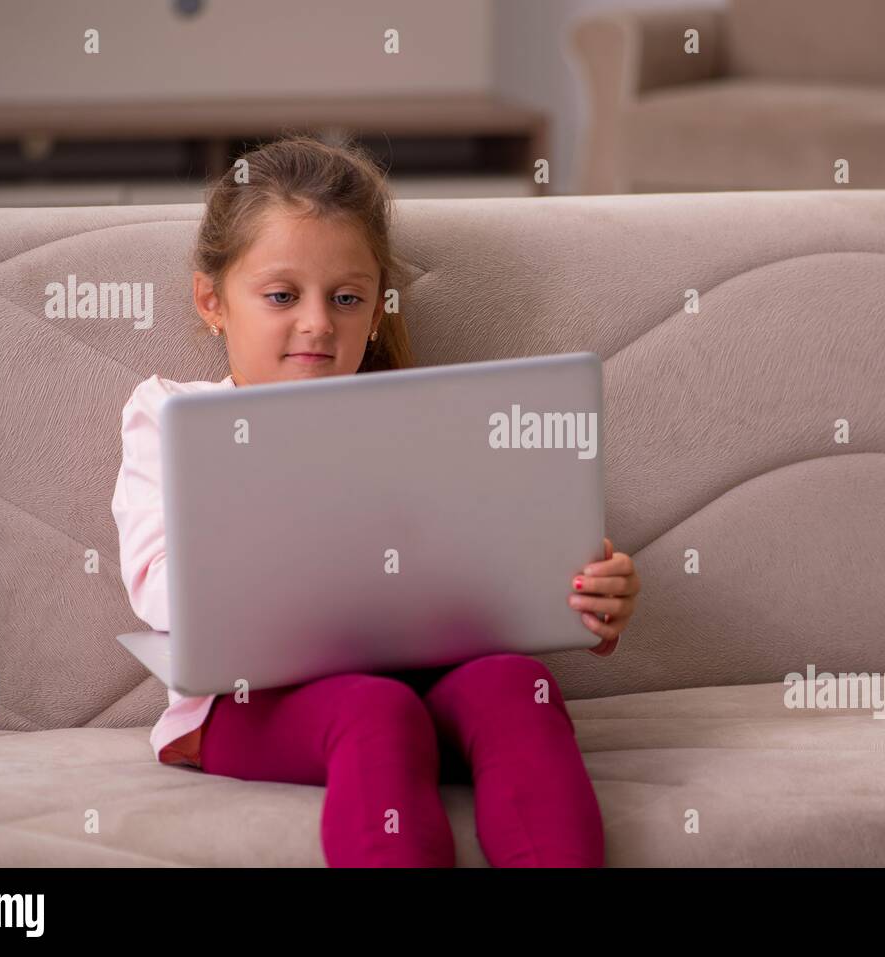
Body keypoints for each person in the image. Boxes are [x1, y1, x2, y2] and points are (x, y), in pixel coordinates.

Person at [110, 134, 640, 867]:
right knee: (376, 709)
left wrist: (584, 593)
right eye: (281, 296)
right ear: (212, 301)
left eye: (347, 298)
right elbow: (156, 579)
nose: (319, 323)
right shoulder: (168, 413)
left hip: (433, 674)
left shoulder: (431, 414)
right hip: (249, 699)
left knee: (522, 685)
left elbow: (501, 555)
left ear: (376, 305)